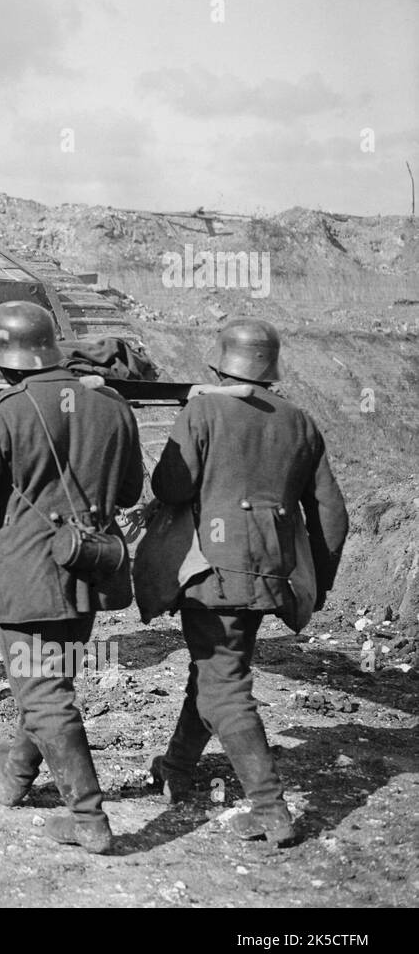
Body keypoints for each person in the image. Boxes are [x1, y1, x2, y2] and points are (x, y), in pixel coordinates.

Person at [0, 301, 142, 854]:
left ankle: (88, 818)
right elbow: (133, 489)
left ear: (6, 359)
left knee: (43, 693)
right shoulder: (112, 404)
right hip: (86, 571)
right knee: (46, 684)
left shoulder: (7, 409)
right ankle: (16, 775)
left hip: (26, 578)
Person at [148, 318, 347, 845]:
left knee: (225, 686)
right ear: (272, 370)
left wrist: (190, 425)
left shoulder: (204, 408)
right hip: (269, 573)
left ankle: (270, 808)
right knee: (218, 671)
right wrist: (317, 584)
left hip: (213, 572)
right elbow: (331, 513)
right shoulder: (300, 421)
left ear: (220, 364)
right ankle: (178, 767)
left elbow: (170, 487)